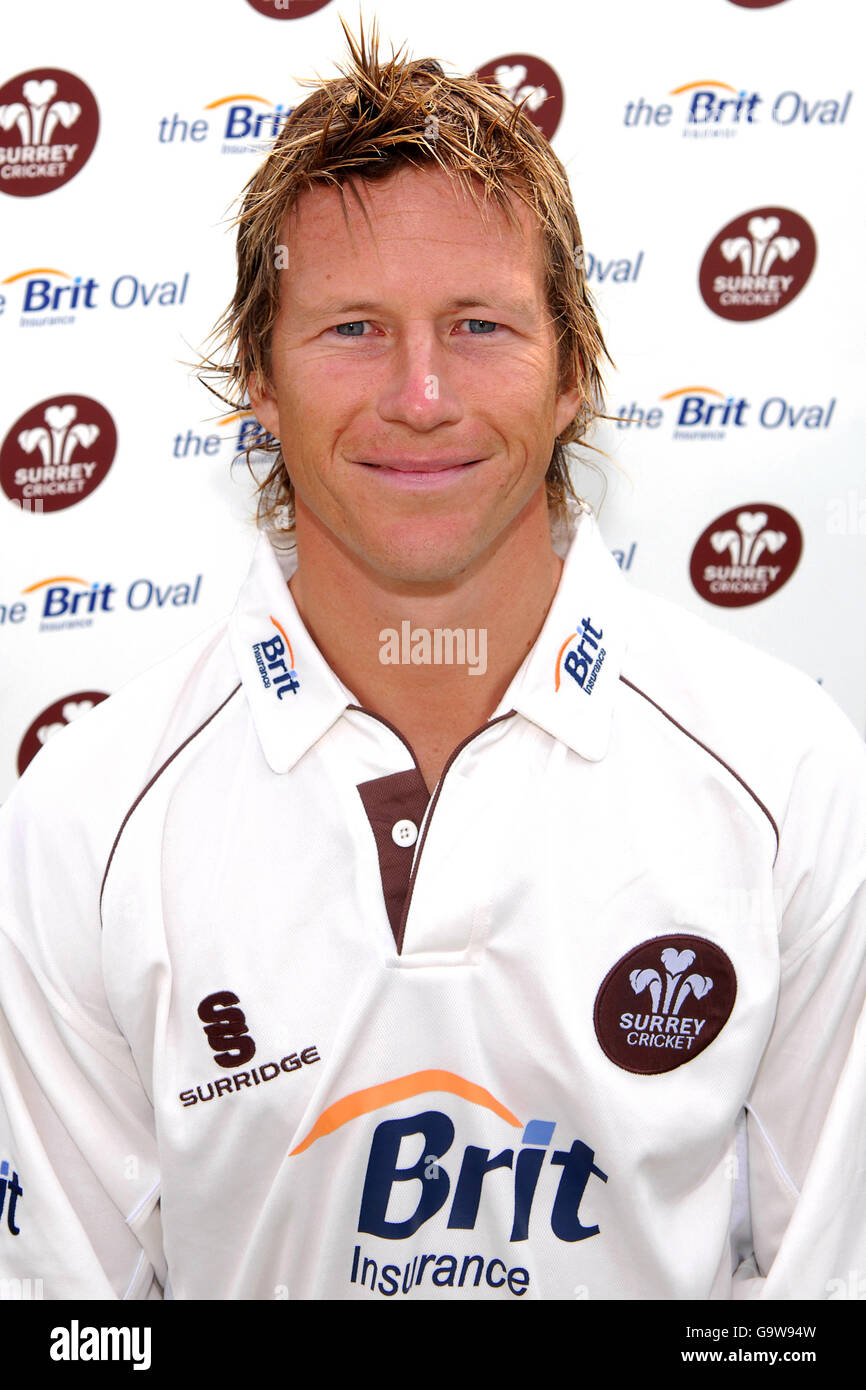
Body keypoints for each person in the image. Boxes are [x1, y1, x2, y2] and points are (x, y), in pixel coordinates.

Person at [1, 20, 864, 1302]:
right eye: (351, 328)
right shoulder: (87, 812)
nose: (418, 394)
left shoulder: (784, 775)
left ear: (572, 369)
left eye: (478, 325)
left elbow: (810, 1305)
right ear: (258, 378)